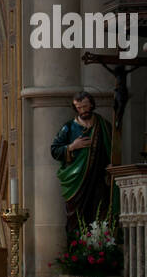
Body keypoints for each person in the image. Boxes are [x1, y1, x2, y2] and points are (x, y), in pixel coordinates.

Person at [50, 91, 116, 237]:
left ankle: (99, 247)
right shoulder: (68, 128)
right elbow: (54, 150)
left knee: (99, 212)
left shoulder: (104, 125)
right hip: (76, 179)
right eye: (79, 108)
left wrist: (112, 164)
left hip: (100, 178)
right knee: (76, 215)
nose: (83, 110)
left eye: (85, 106)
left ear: (91, 104)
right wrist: (72, 146)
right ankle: (75, 250)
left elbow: (113, 148)